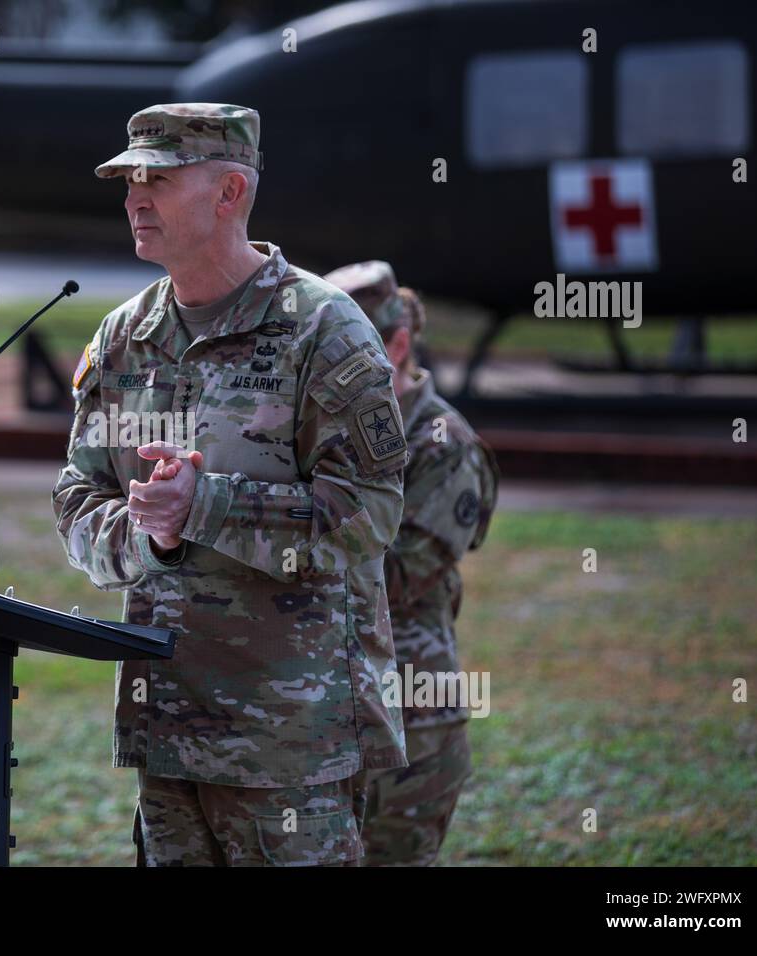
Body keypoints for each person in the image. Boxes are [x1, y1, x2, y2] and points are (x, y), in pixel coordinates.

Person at [52, 103, 409, 866]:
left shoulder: (324, 330)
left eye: (159, 178)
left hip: (292, 743)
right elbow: (76, 498)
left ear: (230, 193)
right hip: (167, 730)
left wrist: (207, 506)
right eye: (127, 180)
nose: (133, 199)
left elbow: (368, 519)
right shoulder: (124, 338)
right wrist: (150, 532)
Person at [323, 260, 500, 866]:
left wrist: (278, 544)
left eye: (347, 350)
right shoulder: (325, 431)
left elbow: (395, 578)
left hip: (409, 718)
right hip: (320, 711)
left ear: (397, 345)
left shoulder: (441, 446)